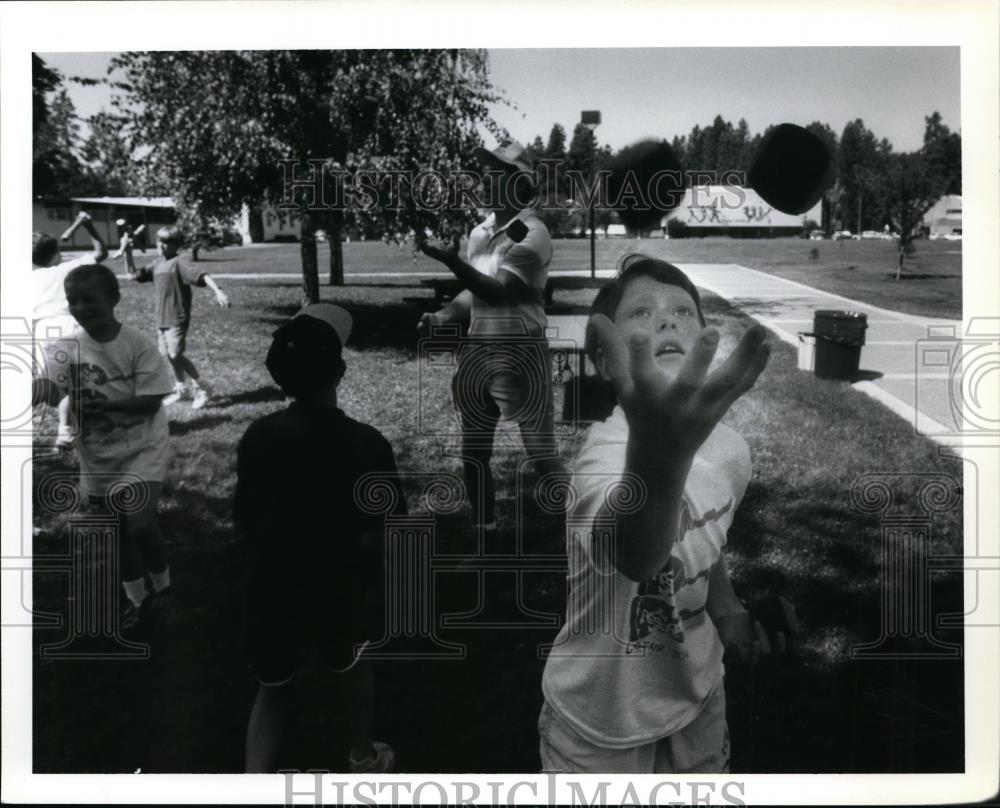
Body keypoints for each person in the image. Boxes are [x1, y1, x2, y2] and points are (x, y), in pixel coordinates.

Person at [538, 254, 780, 773]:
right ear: (606, 361)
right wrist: (662, 455)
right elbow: (636, 556)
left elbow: (704, 538)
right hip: (598, 719)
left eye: (682, 311)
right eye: (641, 314)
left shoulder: (732, 452)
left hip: (697, 700)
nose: (666, 320)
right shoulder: (602, 455)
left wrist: (728, 610)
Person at [235, 303, 402, 774]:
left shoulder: (258, 436)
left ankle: (254, 780)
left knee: (272, 686)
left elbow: (245, 520)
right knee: (351, 667)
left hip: (270, 587)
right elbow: (379, 535)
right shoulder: (367, 444)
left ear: (277, 377)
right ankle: (363, 754)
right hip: (337, 588)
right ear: (341, 371)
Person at [416, 140, 567, 531]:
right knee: (473, 454)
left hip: (522, 353)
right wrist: (443, 315)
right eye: (486, 169)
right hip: (479, 351)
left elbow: (500, 291)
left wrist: (451, 263)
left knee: (540, 455)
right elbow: (476, 290)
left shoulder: (532, 233)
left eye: (496, 170)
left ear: (518, 181)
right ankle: (486, 533)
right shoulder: (480, 232)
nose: (486, 177)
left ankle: (592, 527)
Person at [61, 263, 177, 636]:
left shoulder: (137, 344)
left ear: (113, 299)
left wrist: (107, 406)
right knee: (117, 534)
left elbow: (151, 401)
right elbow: (46, 387)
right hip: (98, 455)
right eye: (72, 300)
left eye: (89, 299)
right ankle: (139, 602)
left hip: (143, 448)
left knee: (140, 524)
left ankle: (165, 592)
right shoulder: (67, 348)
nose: (79, 307)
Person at [128, 225, 230, 409]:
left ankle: (203, 387)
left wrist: (218, 291)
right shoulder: (157, 264)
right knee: (168, 355)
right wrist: (127, 251)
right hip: (162, 318)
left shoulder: (179, 263)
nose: (161, 245)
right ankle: (181, 389)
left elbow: (203, 275)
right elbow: (132, 275)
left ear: (177, 245)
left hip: (177, 316)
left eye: (166, 242)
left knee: (176, 354)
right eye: (160, 241)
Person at [33, 211, 108, 450]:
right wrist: (89, 226)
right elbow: (100, 253)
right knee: (75, 384)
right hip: (69, 327)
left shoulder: (28, 277)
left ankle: (67, 430)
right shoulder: (70, 269)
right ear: (57, 253)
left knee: (56, 387)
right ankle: (72, 429)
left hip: (42, 330)